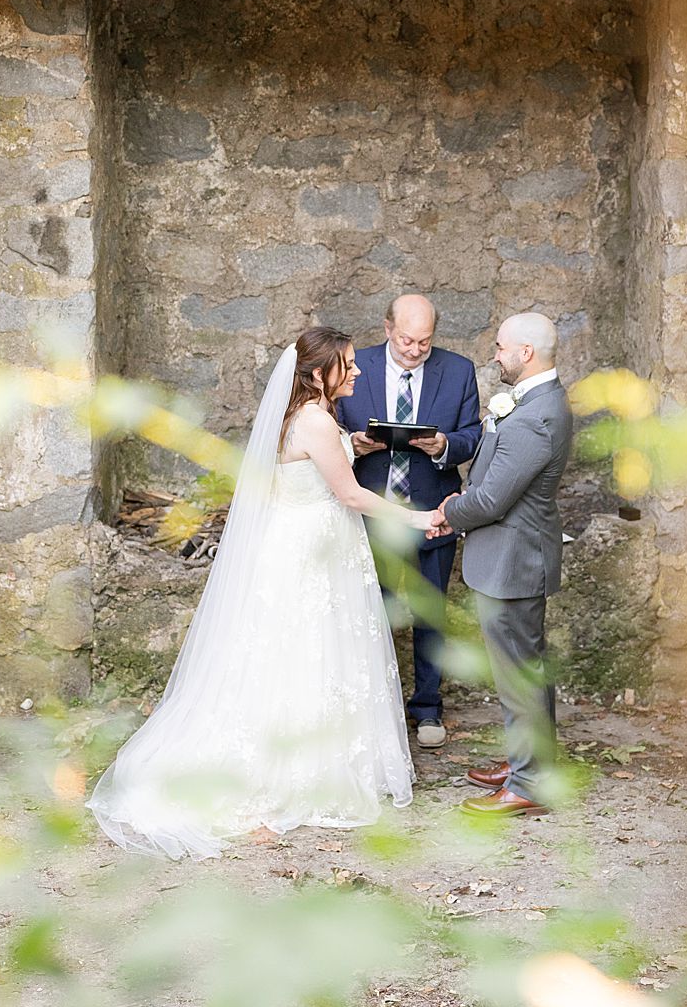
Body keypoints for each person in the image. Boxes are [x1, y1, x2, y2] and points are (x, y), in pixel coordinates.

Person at [89, 328, 439, 858]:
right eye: (349, 363)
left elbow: (306, 469)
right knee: (310, 656)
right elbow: (349, 493)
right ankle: (293, 773)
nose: (360, 370)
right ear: (320, 374)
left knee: (291, 654)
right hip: (313, 556)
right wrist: (417, 518)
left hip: (299, 546)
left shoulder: (296, 418)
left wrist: (350, 444)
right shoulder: (317, 420)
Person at [427, 312, 572, 818]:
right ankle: (529, 766)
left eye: (500, 347)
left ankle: (530, 783)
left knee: (519, 675)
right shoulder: (535, 404)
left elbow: (492, 499)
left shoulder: (537, 415)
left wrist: (449, 512)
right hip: (508, 556)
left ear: (526, 353)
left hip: (512, 560)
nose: (495, 354)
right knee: (523, 669)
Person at [336, 293, 483, 748]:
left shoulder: (457, 370)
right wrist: (352, 445)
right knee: (367, 611)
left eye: (424, 341)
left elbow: (473, 433)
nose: (416, 349)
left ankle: (427, 708)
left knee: (431, 613)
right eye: (406, 339)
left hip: (431, 510)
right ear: (386, 328)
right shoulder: (353, 366)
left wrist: (443, 446)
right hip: (368, 511)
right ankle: (370, 710)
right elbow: (328, 425)